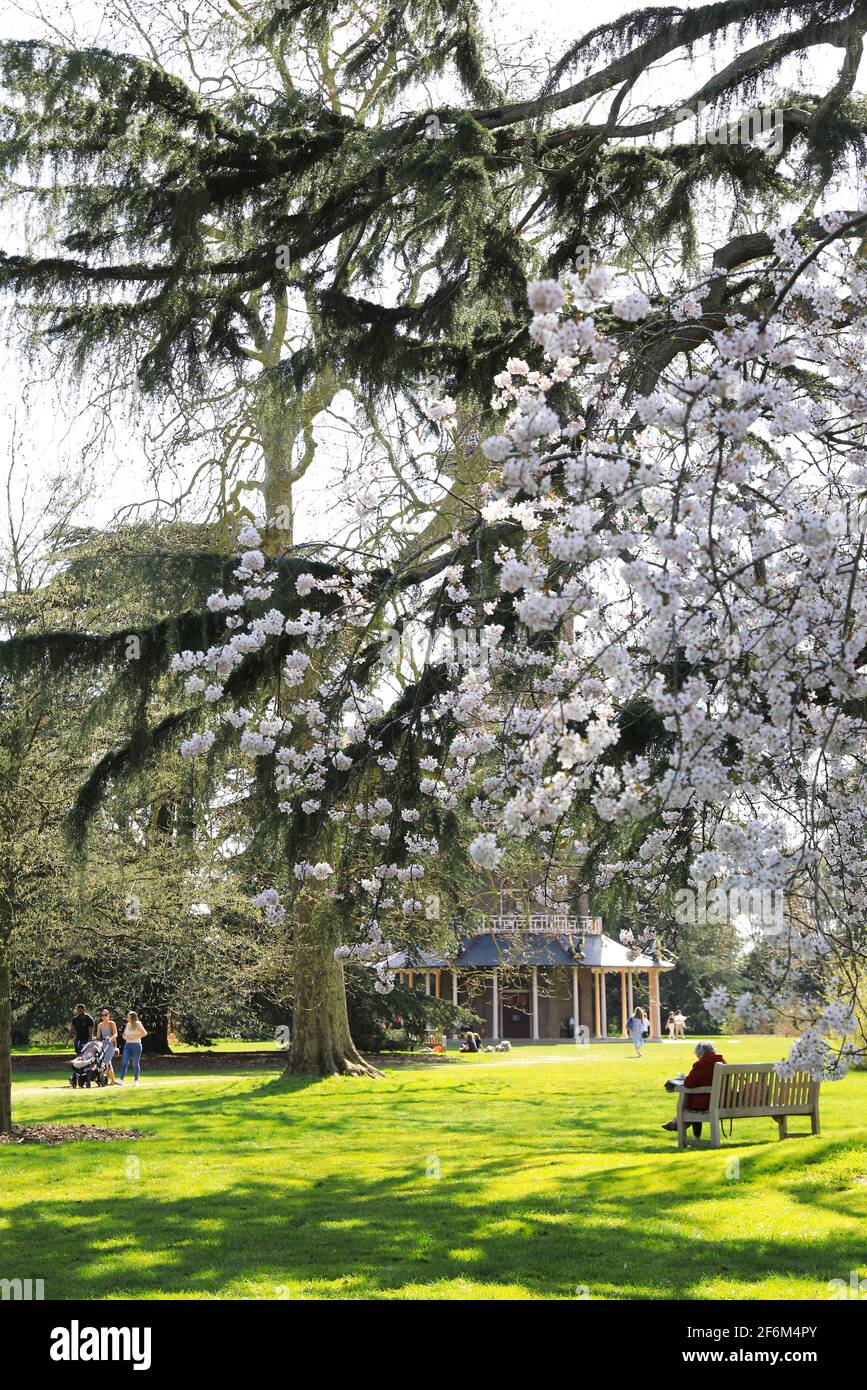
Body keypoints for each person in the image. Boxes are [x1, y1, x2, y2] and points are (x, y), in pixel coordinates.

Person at [662, 1041, 727, 1138]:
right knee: (694, 1100)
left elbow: (688, 1084)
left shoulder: (702, 1064)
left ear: (701, 1053)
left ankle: (679, 1125)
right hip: (724, 1101)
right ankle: (675, 1122)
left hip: (707, 1103)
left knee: (692, 1102)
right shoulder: (722, 1061)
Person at [117, 1011, 148, 1086]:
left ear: (132, 1017)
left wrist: (134, 1037)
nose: (127, 1018)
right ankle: (121, 1080)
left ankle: (136, 1080)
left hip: (136, 1045)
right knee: (124, 1063)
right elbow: (124, 1035)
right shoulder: (128, 1025)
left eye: (128, 1016)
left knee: (135, 1063)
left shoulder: (138, 1024)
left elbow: (144, 1033)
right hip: (127, 1045)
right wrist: (126, 1037)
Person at [96, 1008, 120, 1085]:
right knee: (108, 1063)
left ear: (109, 1015)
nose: (104, 1017)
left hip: (111, 1045)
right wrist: (95, 1039)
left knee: (105, 1062)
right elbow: (98, 1037)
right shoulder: (99, 1025)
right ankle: (113, 1080)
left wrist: (111, 1038)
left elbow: (116, 1034)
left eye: (105, 1015)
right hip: (103, 1046)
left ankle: (101, 1076)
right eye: (102, 1015)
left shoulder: (112, 1023)